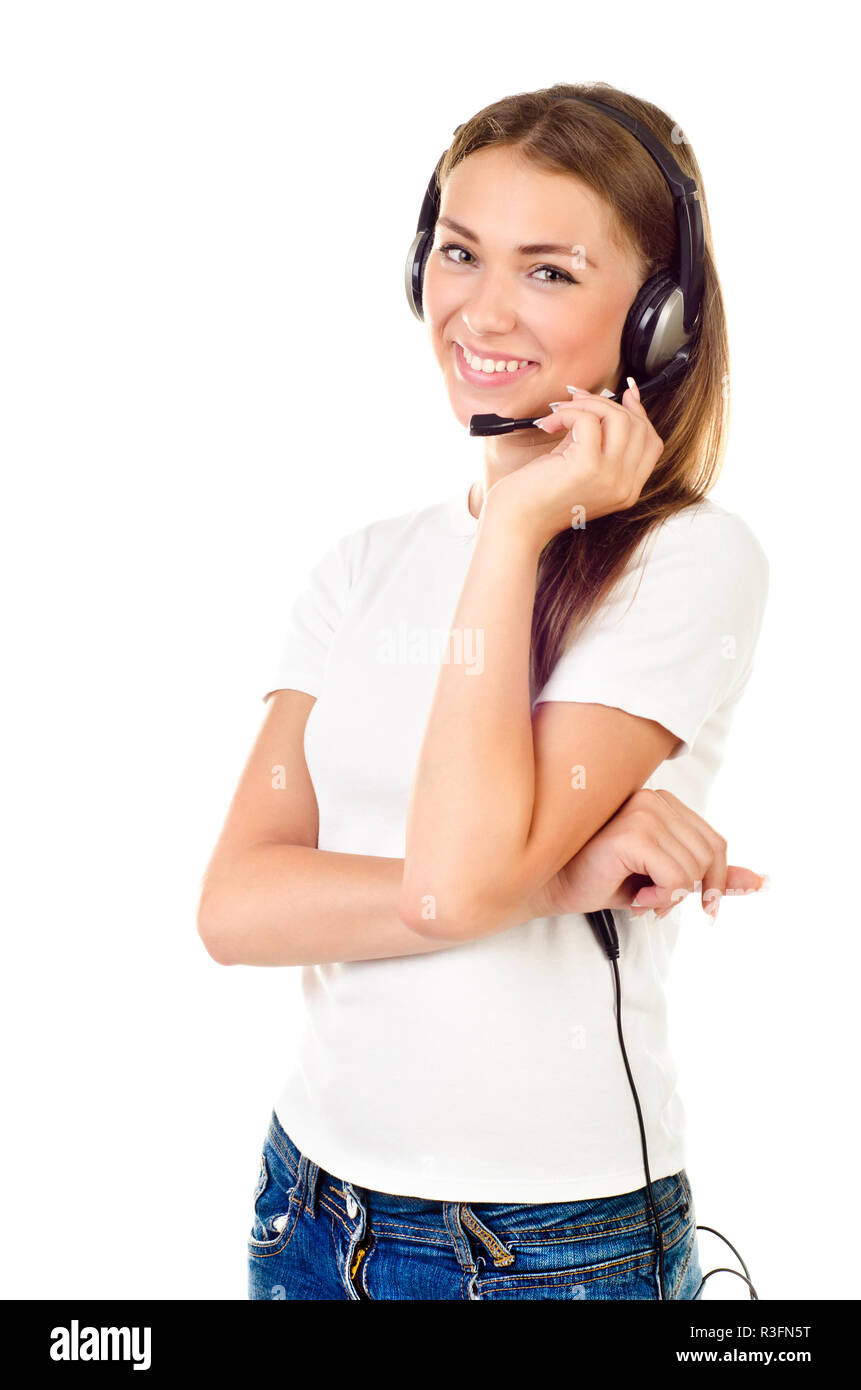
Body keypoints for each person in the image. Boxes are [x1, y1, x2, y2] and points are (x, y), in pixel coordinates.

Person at [197, 81, 770, 1301]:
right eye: (459, 252)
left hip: (544, 1244)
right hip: (310, 1200)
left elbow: (454, 883)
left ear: (661, 317)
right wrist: (556, 876)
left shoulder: (688, 563)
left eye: (551, 271)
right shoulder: (364, 565)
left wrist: (515, 529)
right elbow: (236, 906)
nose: (481, 307)